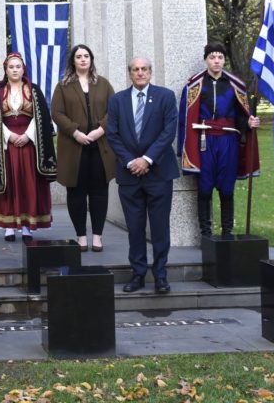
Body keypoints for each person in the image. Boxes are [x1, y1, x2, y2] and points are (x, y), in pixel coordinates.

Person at [106, 57, 180, 294]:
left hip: (158, 173)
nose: (140, 73)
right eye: (135, 70)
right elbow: (112, 135)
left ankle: (160, 275)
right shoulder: (117, 100)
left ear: (150, 72)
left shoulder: (165, 97)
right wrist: (130, 161)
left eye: (144, 69)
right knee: (135, 228)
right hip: (129, 175)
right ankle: (138, 274)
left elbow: (169, 131)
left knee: (159, 228)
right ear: (130, 74)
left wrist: (146, 160)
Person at [178, 42, 261, 237]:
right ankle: (205, 233)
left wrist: (248, 122)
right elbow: (184, 118)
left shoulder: (235, 85)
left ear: (224, 60)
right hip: (204, 140)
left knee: (226, 187)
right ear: (206, 60)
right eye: (212, 57)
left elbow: (241, 114)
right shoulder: (194, 85)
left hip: (227, 140)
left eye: (220, 57)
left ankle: (227, 232)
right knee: (205, 188)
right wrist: (182, 148)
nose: (216, 61)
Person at [0, 53, 56, 242]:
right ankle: (9, 226)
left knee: (28, 184)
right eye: (11, 67)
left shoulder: (34, 90)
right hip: (5, 145)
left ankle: (26, 226)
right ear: (5, 70)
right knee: (10, 185)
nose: (15, 70)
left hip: (29, 145)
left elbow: (41, 118)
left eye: (18, 67)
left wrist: (27, 135)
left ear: (23, 69)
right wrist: (10, 135)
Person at [51, 44, 116, 252]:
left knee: (99, 192)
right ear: (73, 61)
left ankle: (97, 236)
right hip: (74, 147)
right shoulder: (63, 86)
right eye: (78, 56)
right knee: (76, 193)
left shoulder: (104, 84)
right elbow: (57, 113)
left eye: (86, 56)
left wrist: (100, 131)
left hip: (100, 147)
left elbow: (114, 110)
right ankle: (81, 236)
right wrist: (75, 132)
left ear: (91, 59)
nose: (82, 60)